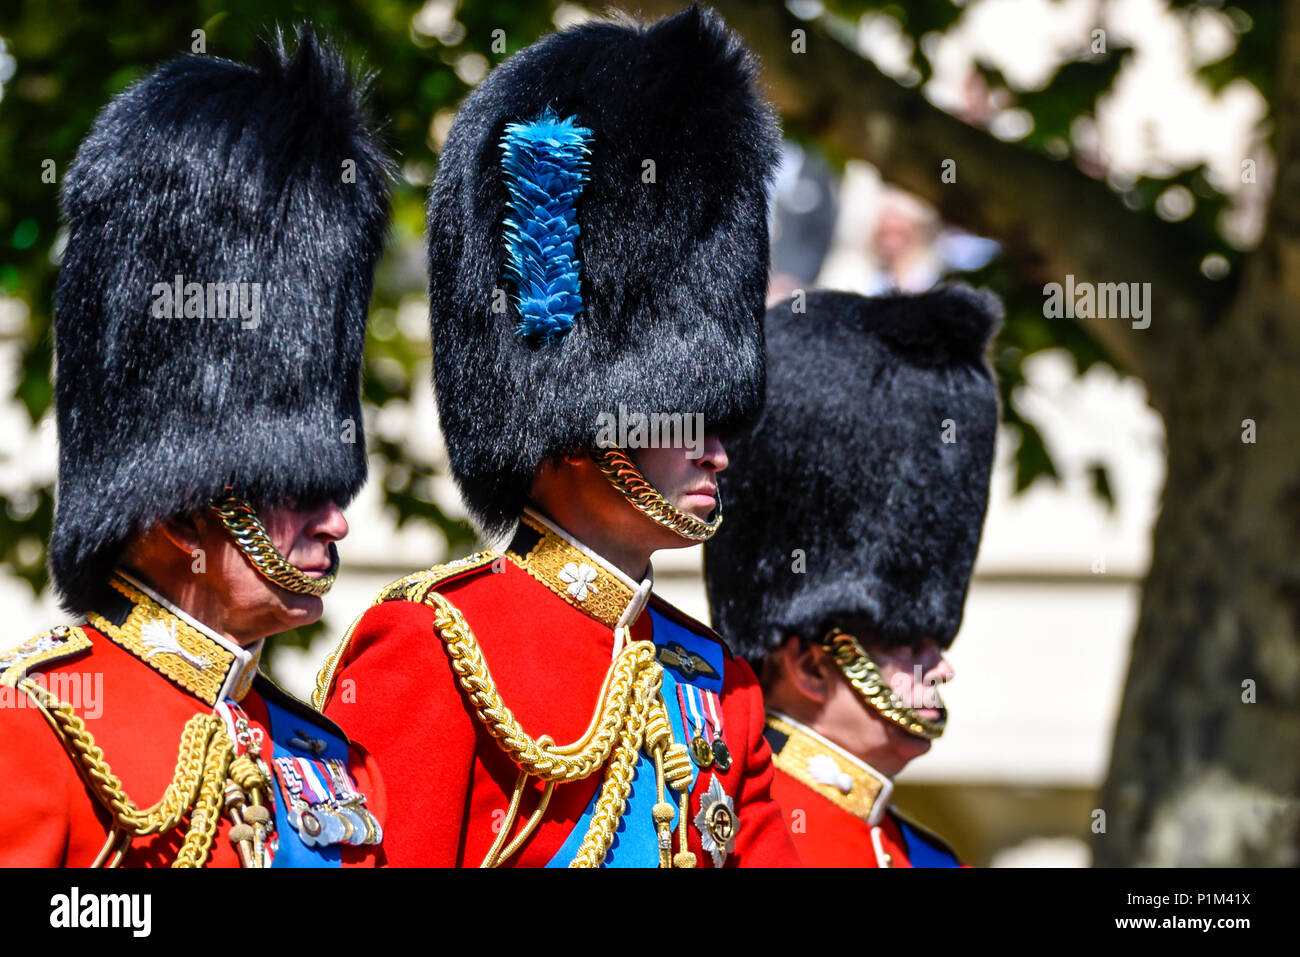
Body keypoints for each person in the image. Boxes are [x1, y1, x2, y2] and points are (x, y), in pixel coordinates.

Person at [314, 6, 800, 868]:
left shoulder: (721, 686)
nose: (717, 450)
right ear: (580, 429)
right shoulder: (436, 647)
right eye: (686, 413)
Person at [0, 27, 392, 867]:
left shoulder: (328, 759)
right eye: (299, 491)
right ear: (185, 511)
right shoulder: (38, 728)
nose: (339, 525)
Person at [703, 287, 1002, 867]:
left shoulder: (928, 857)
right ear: (811, 665)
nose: (942, 667)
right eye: (907, 643)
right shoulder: (723, 839)